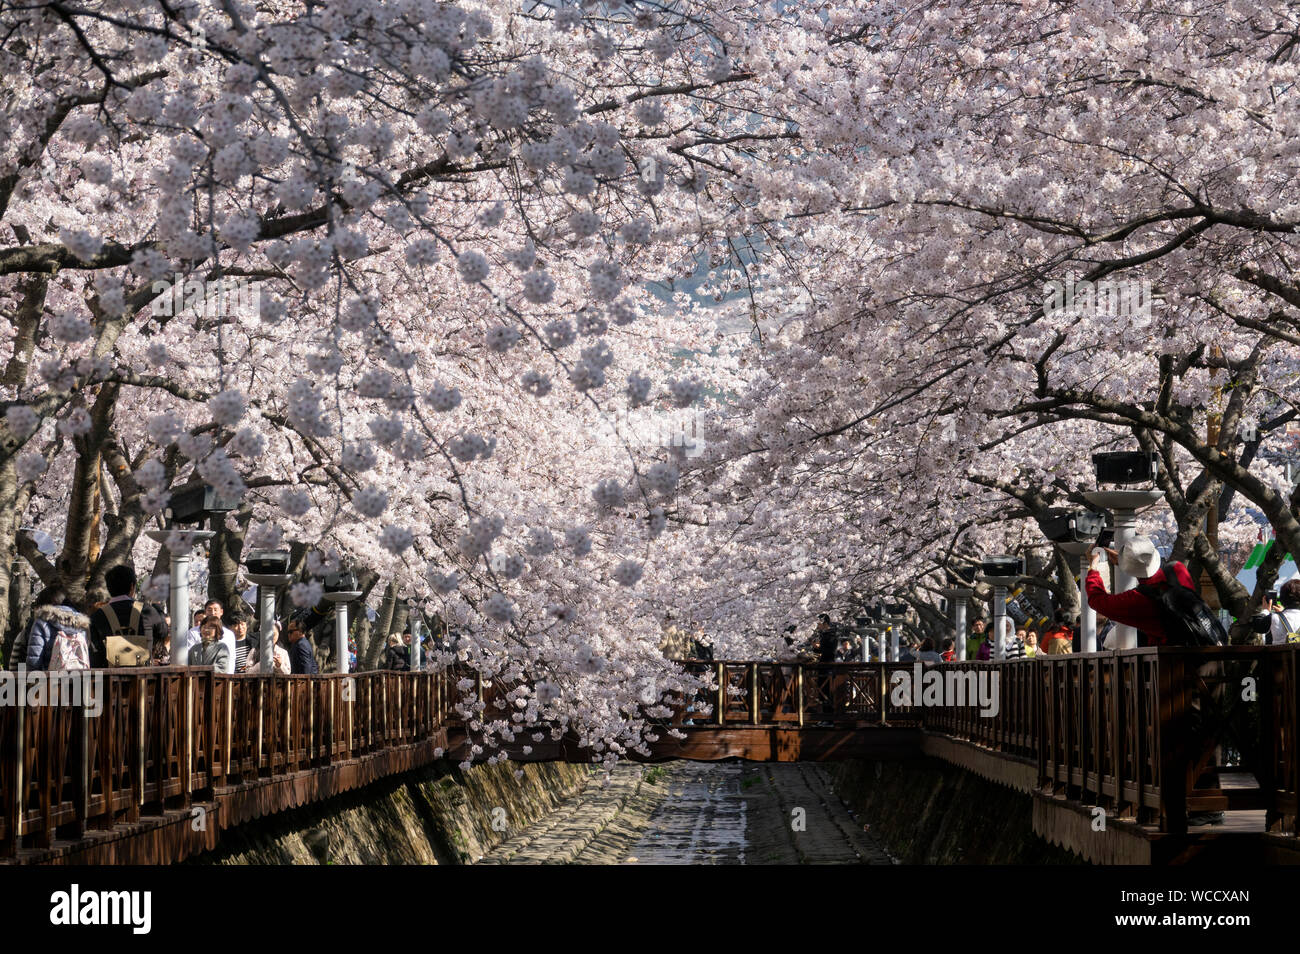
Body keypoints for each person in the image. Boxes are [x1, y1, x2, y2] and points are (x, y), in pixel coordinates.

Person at [1085, 538, 1196, 645]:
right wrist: (1127, 561)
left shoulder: (1138, 599)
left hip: (1170, 658)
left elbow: (1097, 600)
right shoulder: (1177, 568)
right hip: (1200, 643)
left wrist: (1093, 566)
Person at [88, 565, 168, 667]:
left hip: (110, 678)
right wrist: (157, 605)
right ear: (132, 586)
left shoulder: (97, 616)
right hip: (143, 678)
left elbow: (95, 650)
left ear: (109, 588)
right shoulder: (147, 610)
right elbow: (163, 632)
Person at [14, 586, 90, 671]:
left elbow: (34, 658)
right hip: (79, 678)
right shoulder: (81, 624)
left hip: (49, 680)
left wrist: (32, 679)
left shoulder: (42, 622)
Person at [184, 599, 236, 671]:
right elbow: (189, 659)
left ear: (221, 612)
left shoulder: (229, 635)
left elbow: (230, 659)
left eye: (215, 610)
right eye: (209, 610)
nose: (213, 613)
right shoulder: (193, 633)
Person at [1269, 579, 1300, 645]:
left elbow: (1258, 627)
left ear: (1282, 599)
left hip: (1279, 655)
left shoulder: (1273, 617)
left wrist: (1266, 610)